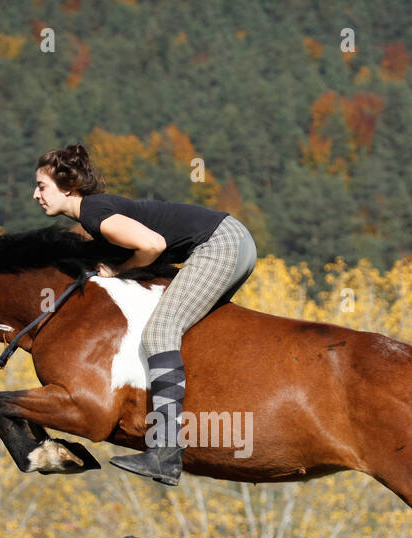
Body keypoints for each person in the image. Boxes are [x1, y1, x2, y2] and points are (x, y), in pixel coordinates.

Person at [33, 143, 258, 485]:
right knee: (182, 332)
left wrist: (119, 270)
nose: (36, 195)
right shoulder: (96, 214)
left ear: (67, 188)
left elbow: (152, 245)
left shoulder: (94, 212)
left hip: (221, 244)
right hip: (235, 241)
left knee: (159, 332)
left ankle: (166, 453)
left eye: (42, 186)